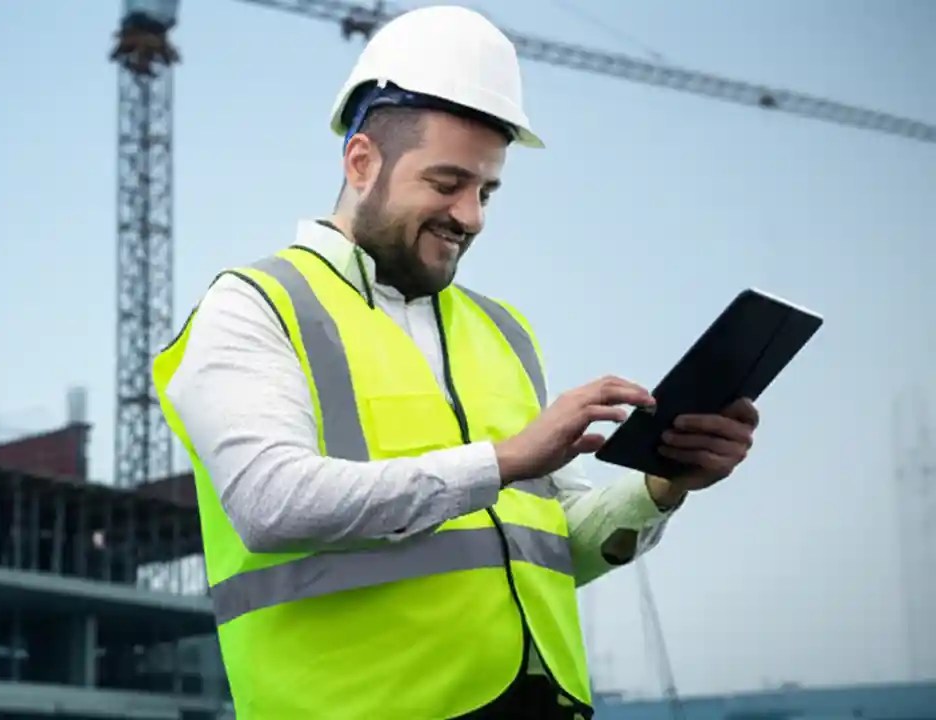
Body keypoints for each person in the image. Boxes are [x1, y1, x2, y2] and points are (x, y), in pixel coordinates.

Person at [152, 5, 760, 719]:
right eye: (446, 184)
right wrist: (502, 460)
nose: (472, 216)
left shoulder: (502, 332)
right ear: (361, 161)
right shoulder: (256, 305)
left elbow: (552, 551)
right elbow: (270, 504)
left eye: (486, 190)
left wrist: (659, 488)